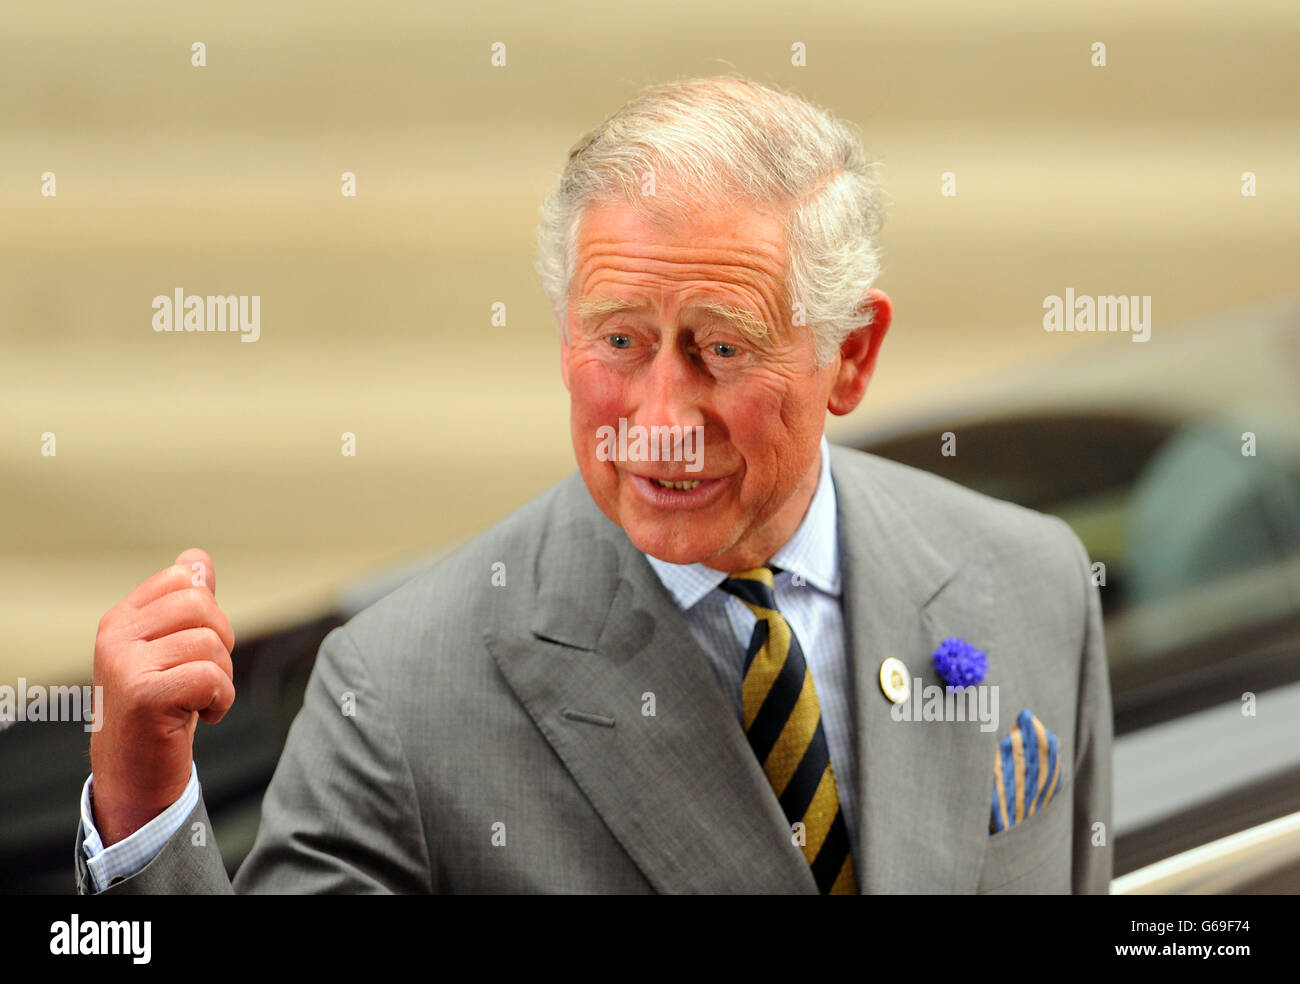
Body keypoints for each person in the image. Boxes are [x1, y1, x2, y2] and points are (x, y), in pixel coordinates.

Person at [76, 75, 1112, 894]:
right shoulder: (398, 694)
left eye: (719, 348)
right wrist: (146, 810)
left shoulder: (1030, 582)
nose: (659, 423)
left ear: (850, 356)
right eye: (618, 340)